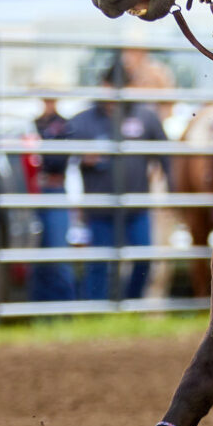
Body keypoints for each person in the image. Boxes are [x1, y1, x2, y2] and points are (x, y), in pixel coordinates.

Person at [67, 63, 170, 301]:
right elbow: (64, 159)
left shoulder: (145, 117)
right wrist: (84, 158)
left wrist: (172, 189)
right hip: (100, 208)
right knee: (100, 264)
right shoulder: (83, 121)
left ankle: (130, 303)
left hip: (136, 206)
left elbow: (167, 154)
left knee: (143, 259)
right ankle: (96, 310)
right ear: (103, 87)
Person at [28, 82, 78, 303]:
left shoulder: (64, 125)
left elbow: (59, 160)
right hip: (38, 189)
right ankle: (41, 307)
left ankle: (62, 307)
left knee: (57, 255)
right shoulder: (34, 124)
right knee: (38, 256)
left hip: (53, 188)